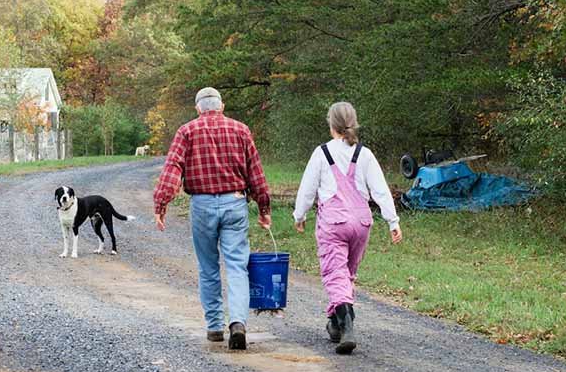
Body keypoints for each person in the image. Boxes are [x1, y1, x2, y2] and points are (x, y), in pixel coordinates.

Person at [153, 87, 272, 351]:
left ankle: (215, 326)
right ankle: (238, 322)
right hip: (235, 203)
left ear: (198, 108)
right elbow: (256, 172)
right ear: (221, 106)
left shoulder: (186, 131)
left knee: (208, 268)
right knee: (237, 266)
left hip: (202, 205)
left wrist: (161, 204)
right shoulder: (241, 130)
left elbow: (173, 168)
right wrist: (264, 208)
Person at [293, 101, 403, 354]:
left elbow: (308, 188)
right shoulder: (364, 153)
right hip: (361, 223)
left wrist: (300, 215)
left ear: (331, 125)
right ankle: (335, 323)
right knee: (346, 274)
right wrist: (392, 221)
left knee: (335, 273)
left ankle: (347, 324)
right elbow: (380, 190)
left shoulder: (322, 153)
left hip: (334, 223)